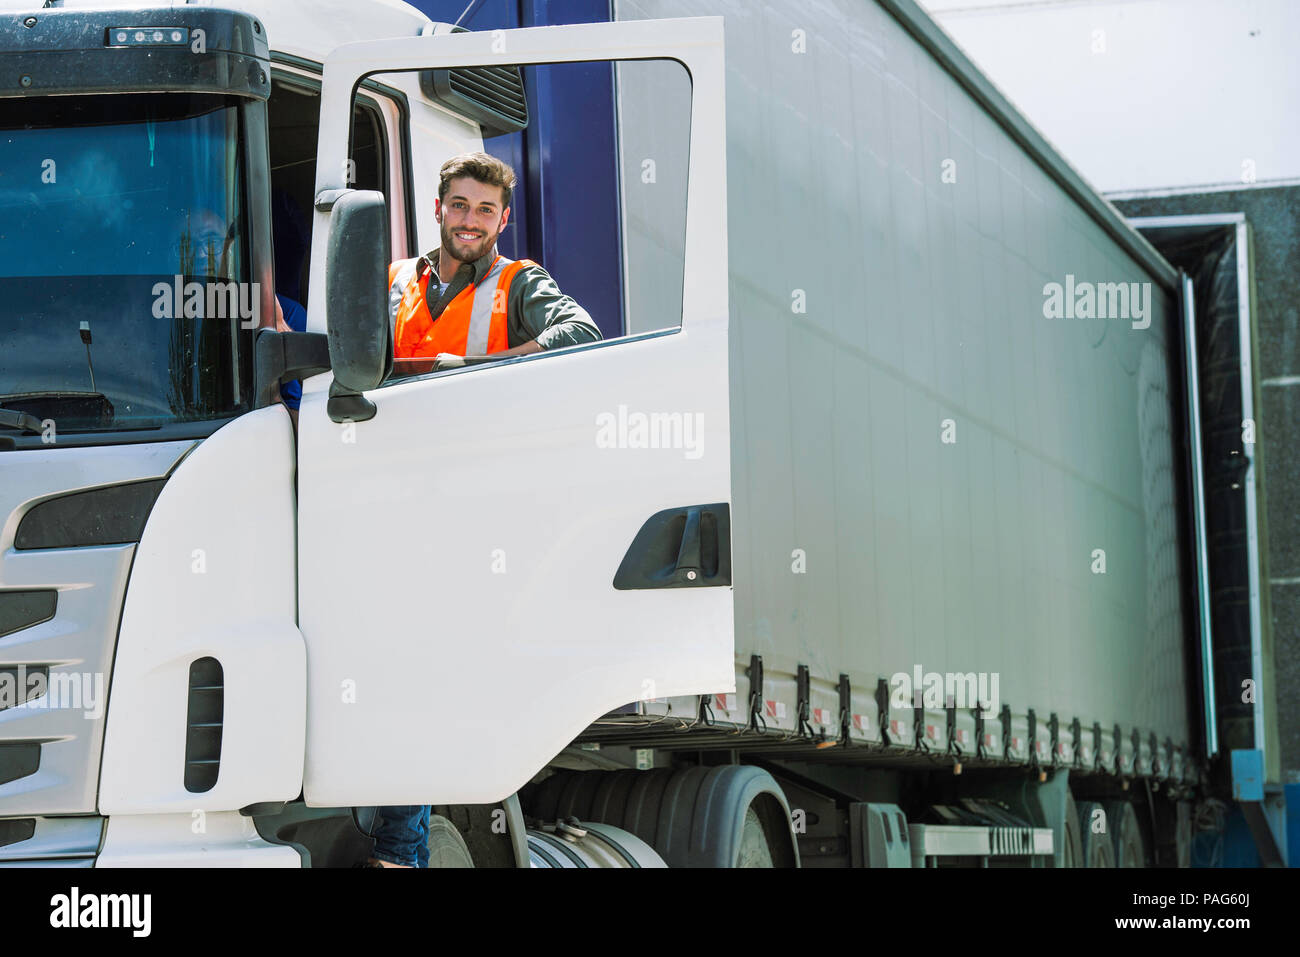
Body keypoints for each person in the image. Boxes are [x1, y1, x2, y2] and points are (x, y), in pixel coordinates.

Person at [366, 152, 600, 869]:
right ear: (437, 208)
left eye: (485, 210)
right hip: (385, 505)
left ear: (504, 217)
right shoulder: (395, 281)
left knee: (413, 678)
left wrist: (476, 372)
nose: (471, 220)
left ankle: (400, 854)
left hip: (472, 514)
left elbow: (581, 334)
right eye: (460, 205)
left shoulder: (516, 282)